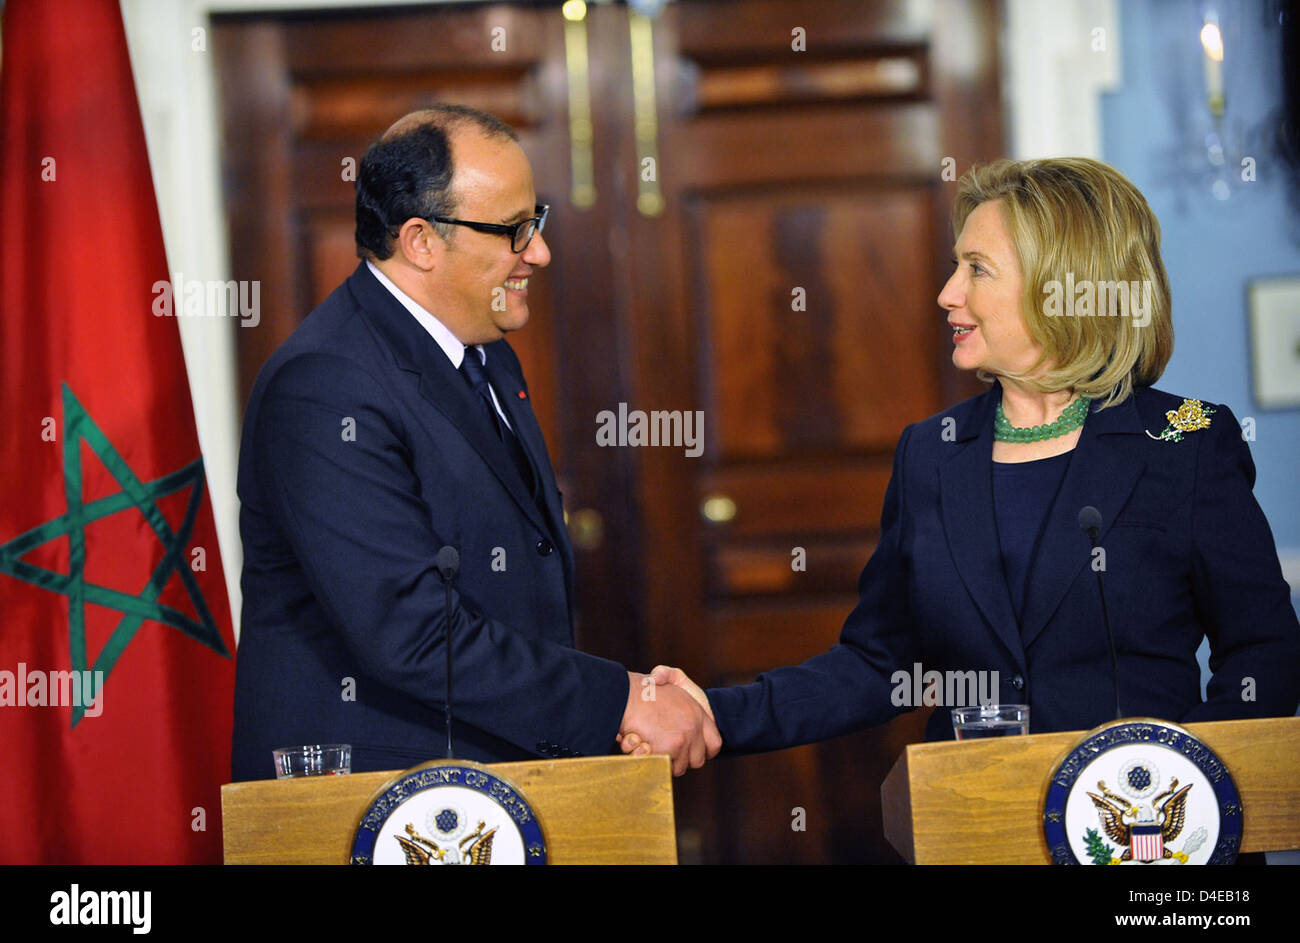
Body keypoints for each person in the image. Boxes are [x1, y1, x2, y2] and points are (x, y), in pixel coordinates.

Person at [626, 157, 1300, 758]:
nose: (948, 292)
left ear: (1059, 284)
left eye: (976, 269)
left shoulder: (1187, 441)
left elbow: (1265, 655)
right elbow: (878, 665)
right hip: (975, 827)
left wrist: (1181, 779)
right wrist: (714, 712)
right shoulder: (930, 452)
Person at [232, 105, 718, 781]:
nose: (539, 252)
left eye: (536, 222)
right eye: (515, 230)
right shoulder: (326, 384)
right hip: (379, 804)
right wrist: (624, 699)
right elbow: (412, 633)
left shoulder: (487, 353)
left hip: (497, 784)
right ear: (421, 241)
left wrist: (619, 702)